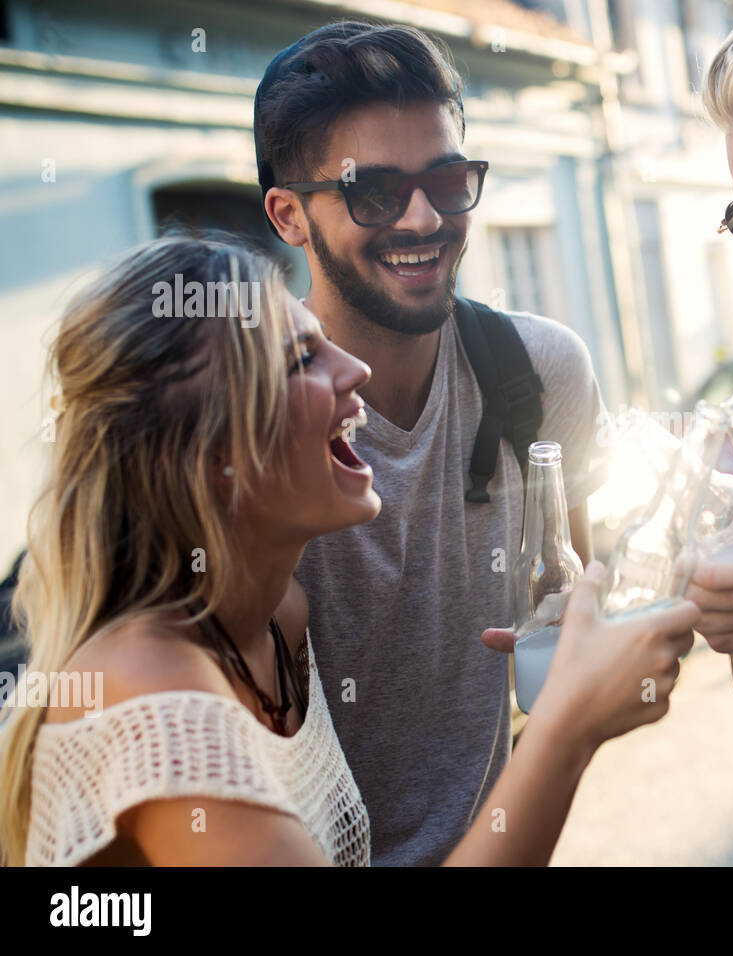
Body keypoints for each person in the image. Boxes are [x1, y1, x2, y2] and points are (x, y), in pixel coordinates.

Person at [0, 234, 698, 866]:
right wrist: (568, 730)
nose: (355, 369)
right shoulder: (151, 697)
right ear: (209, 451)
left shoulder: (279, 620)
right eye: (303, 358)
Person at [254, 22, 617, 865]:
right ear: (289, 215)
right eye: (372, 192)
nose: (423, 217)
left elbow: (570, 627)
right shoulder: (240, 421)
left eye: (447, 180)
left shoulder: (539, 372)